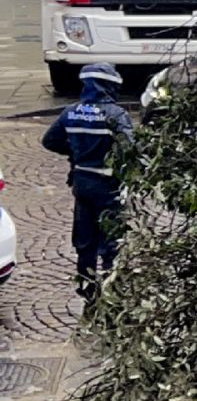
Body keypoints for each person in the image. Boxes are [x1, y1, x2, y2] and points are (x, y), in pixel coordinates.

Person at [42, 63, 135, 295]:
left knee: (84, 239)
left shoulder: (70, 113)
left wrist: (75, 152)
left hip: (81, 183)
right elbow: (130, 150)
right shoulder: (116, 115)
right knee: (112, 239)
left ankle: (87, 288)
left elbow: (49, 141)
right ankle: (112, 289)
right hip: (108, 185)